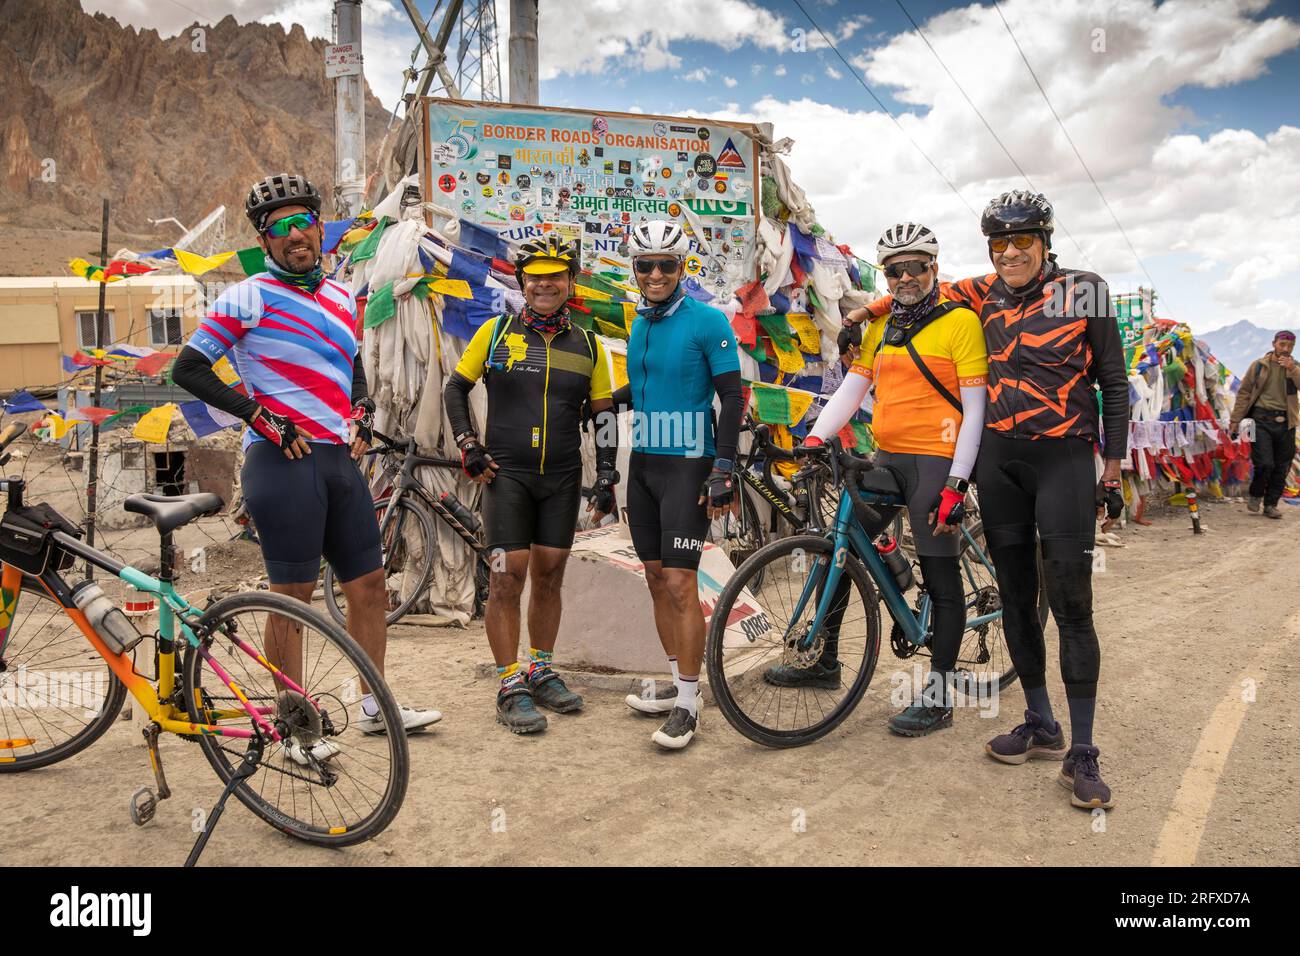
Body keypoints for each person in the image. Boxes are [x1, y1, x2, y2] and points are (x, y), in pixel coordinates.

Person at [849, 191, 1128, 810]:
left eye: (1022, 241)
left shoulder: (1085, 289)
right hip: (999, 466)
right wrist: (861, 312)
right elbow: (912, 290)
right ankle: (1040, 723)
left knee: (1072, 603)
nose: (1010, 254)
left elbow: (1113, 378)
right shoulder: (982, 291)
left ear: (1046, 241)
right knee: (1018, 604)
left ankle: (1083, 752)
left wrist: (1113, 466)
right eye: (999, 244)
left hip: (1064, 459)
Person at [173, 172, 441, 764]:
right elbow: (188, 369)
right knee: (290, 598)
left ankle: (375, 708)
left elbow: (351, 365)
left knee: (370, 588)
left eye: (305, 222)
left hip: (338, 461)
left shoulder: (342, 295)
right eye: (281, 227)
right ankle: (295, 729)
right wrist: (261, 417)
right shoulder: (250, 295)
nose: (296, 234)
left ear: (321, 228)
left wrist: (362, 405)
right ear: (265, 241)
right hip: (281, 459)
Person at [781, 223, 988, 738]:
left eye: (914, 267)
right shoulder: (883, 325)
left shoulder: (960, 322)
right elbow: (853, 389)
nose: (904, 277)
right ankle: (826, 662)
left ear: (933, 269)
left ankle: (939, 696)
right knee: (842, 547)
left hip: (938, 459)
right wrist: (813, 439)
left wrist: (957, 484)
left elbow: (977, 411)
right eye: (894, 270)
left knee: (941, 578)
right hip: (888, 456)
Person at [443, 236, 618, 734]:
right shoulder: (496, 332)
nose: (545, 284)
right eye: (536, 276)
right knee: (505, 578)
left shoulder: (588, 345)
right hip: (507, 476)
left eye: (555, 276)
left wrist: (606, 474)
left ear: (570, 282)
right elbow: (455, 387)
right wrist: (467, 444)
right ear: (523, 282)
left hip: (562, 478)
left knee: (549, 576)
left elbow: (603, 415)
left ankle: (541, 669)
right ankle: (508, 682)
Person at [613, 220, 744, 750]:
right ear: (635, 269)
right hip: (642, 463)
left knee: (680, 584)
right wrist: (609, 401)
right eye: (646, 265)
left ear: (683, 266)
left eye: (667, 264)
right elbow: (648, 383)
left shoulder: (709, 321)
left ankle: (691, 704)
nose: (656, 274)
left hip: (690, 465)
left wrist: (724, 467)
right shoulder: (640, 323)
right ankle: (677, 683)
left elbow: (732, 398)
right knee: (652, 577)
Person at [1230, 330, 1300, 519]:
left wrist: (1292, 369)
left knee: (1282, 466)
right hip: (1259, 420)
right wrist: (1235, 420)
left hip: (1287, 423)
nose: (1285, 349)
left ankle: (1271, 504)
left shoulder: (1295, 367)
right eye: (1282, 345)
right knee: (1264, 463)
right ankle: (1255, 494)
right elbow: (1244, 392)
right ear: (1274, 344)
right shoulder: (1259, 366)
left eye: (1290, 346)